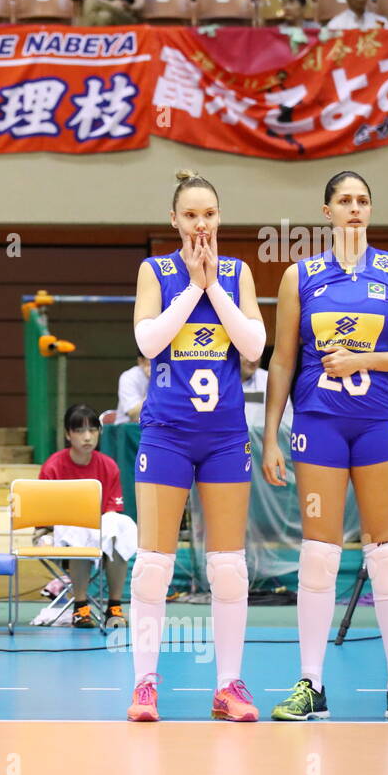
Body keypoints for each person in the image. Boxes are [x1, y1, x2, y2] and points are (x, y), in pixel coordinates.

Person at [263, 171, 388, 722]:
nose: (355, 209)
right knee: (319, 552)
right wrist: (270, 435)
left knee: (385, 550)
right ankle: (311, 684)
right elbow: (282, 360)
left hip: (378, 424)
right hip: (318, 424)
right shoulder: (300, 276)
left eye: (363, 200)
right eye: (345, 201)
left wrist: (365, 358)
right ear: (327, 212)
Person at [127, 170, 267, 723]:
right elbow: (148, 340)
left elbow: (254, 346)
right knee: (152, 566)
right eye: (190, 215)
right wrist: (191, 286)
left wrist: (213, 288)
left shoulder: (237, 272)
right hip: (167, 433)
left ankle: (228, 686)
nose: (201, 224)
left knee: (228, 567)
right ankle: (144, 686)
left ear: (219, 217)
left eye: (209, 214)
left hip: (225, 437)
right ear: (174, 220)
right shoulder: (155, 271)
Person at [33, 404, 134, 629]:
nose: (87, 437)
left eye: (92, 430)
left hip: (98, 532)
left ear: (99, 432)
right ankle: (80, 607)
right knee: (78, 530)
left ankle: (114, 607)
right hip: (52, 532)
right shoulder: (53, 467)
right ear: (68, 435)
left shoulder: (108, 466)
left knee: (119, 532)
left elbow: (112, 513)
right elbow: (42, 516)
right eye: (79, 431)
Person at [116, 353, 150, 422]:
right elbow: (134, 415)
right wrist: (156, 387)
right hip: (128, 425)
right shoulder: (129, 377)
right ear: (141, 361)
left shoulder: (169, 376)